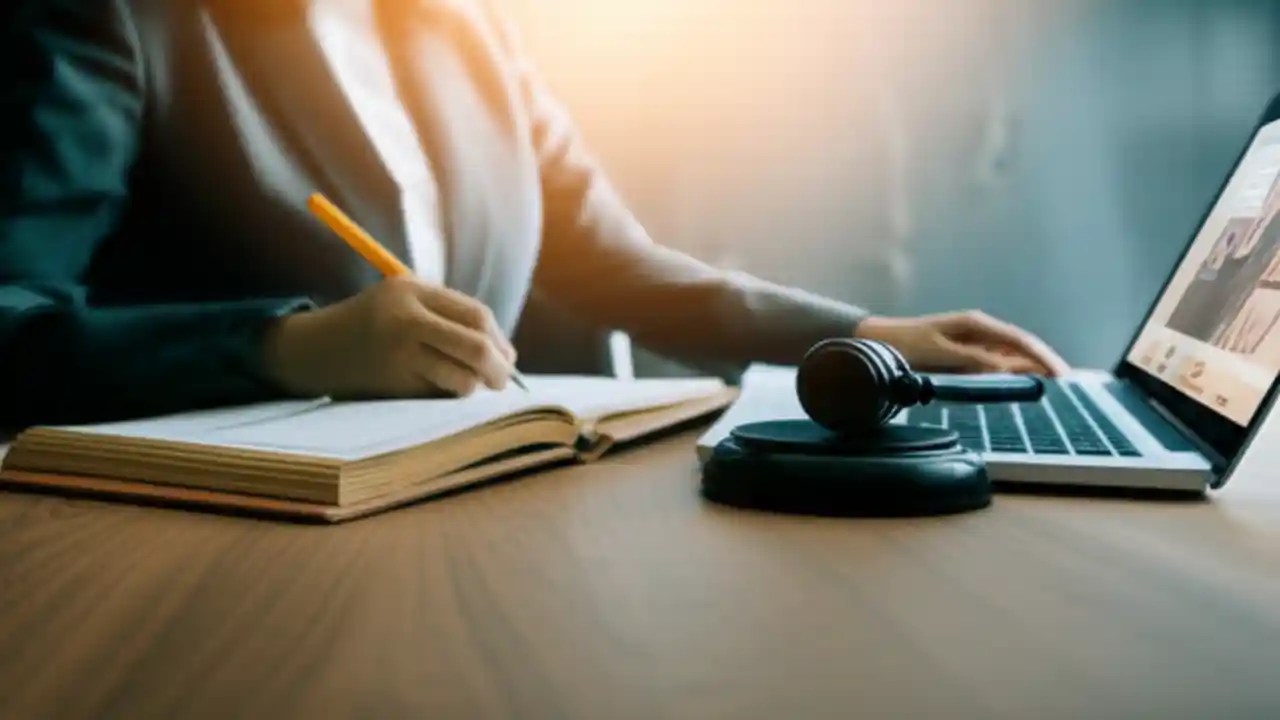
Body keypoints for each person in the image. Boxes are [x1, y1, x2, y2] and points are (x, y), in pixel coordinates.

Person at [0, 0, 1068, 427]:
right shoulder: (117, 16)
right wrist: (286, 347)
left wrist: (859, 336)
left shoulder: (463, 28)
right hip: (210, 567)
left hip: (472, 513)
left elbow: (613, 261)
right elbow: (15, 324)